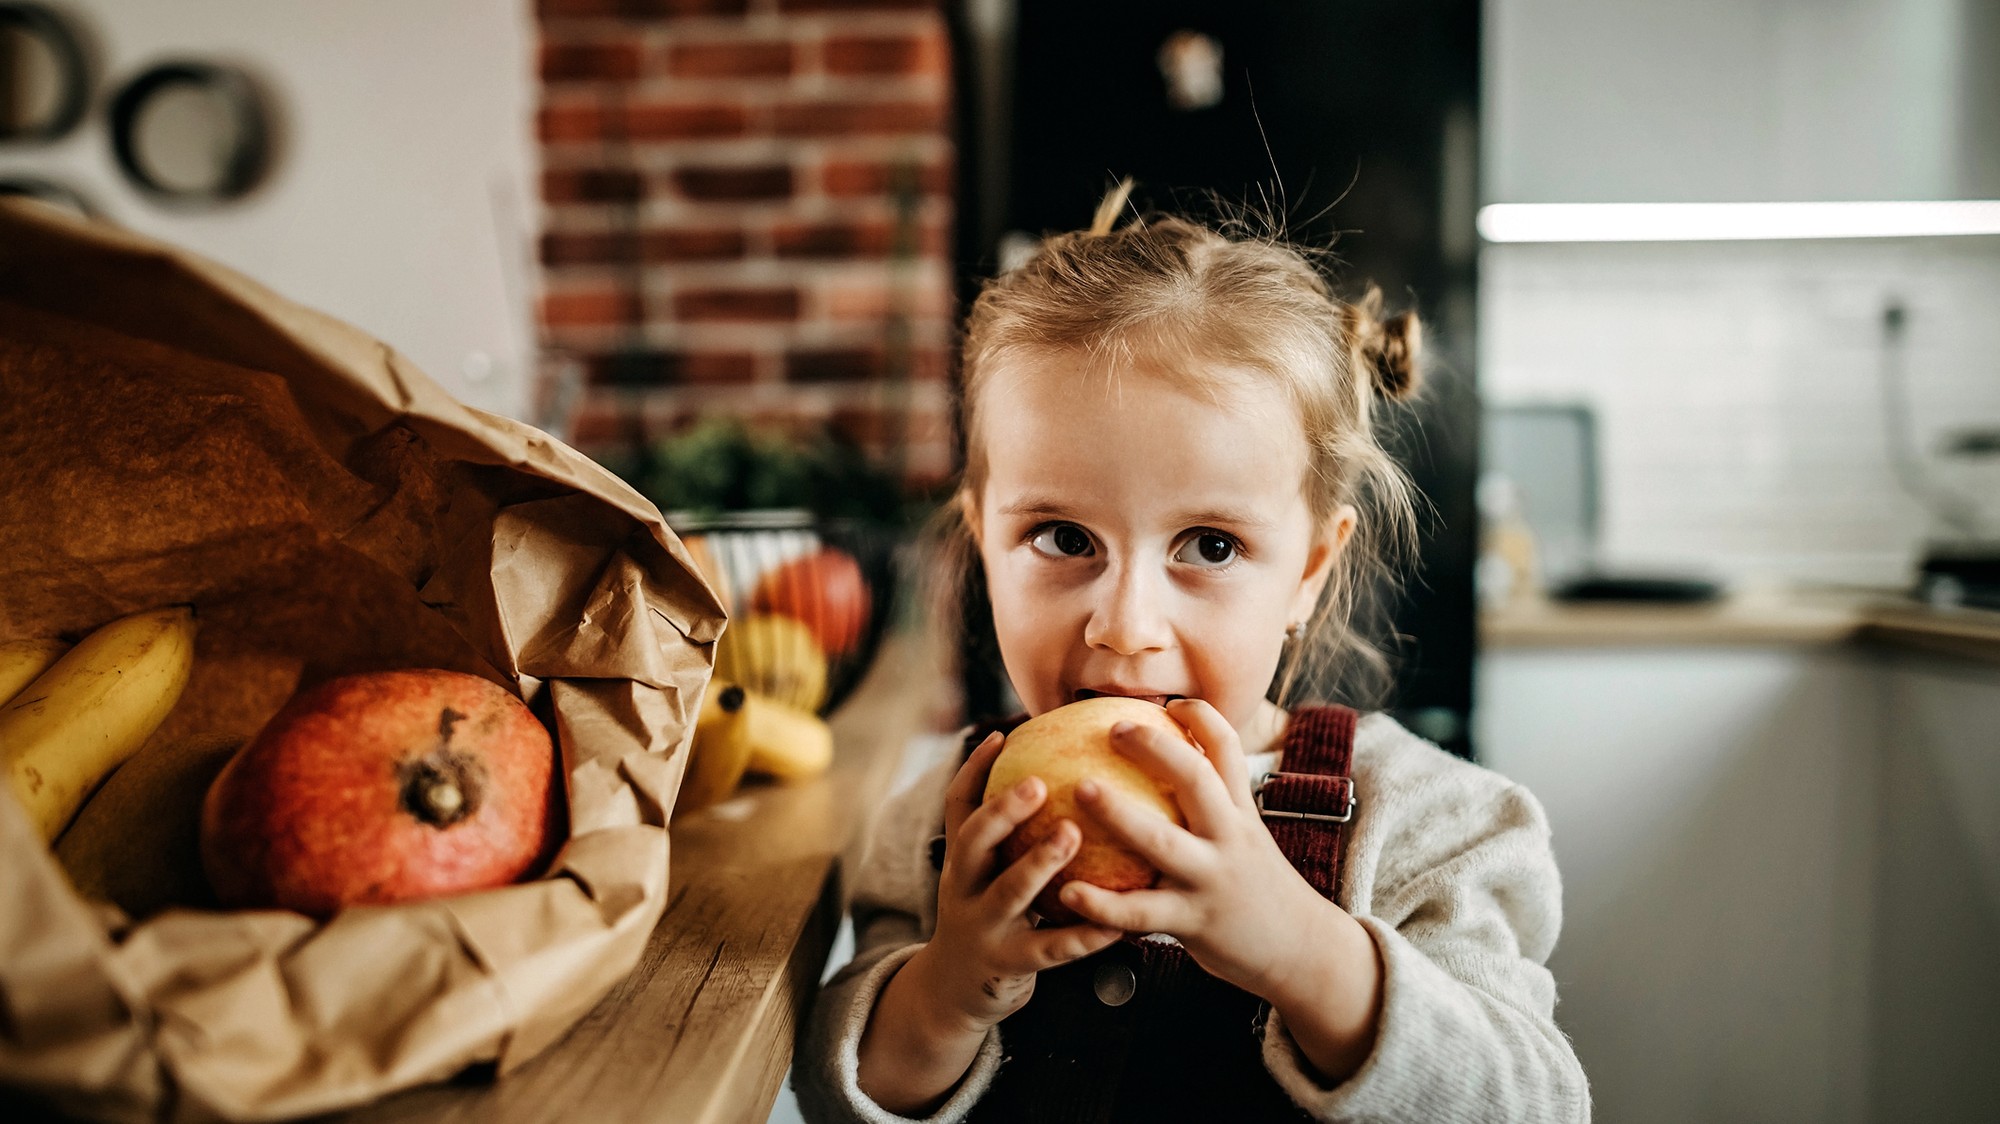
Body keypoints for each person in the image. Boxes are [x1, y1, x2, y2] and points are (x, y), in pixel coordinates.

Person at [796, 183, 1589, 1122]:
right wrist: (951, 984)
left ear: (1309, 570)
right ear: (982, 542)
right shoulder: (942, 817)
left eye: (1209, 546)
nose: (1125, 625)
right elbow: (839, 1093)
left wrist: (1297, 947)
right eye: (1060, 536)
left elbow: (1534, 1105)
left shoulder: (1437, 828)